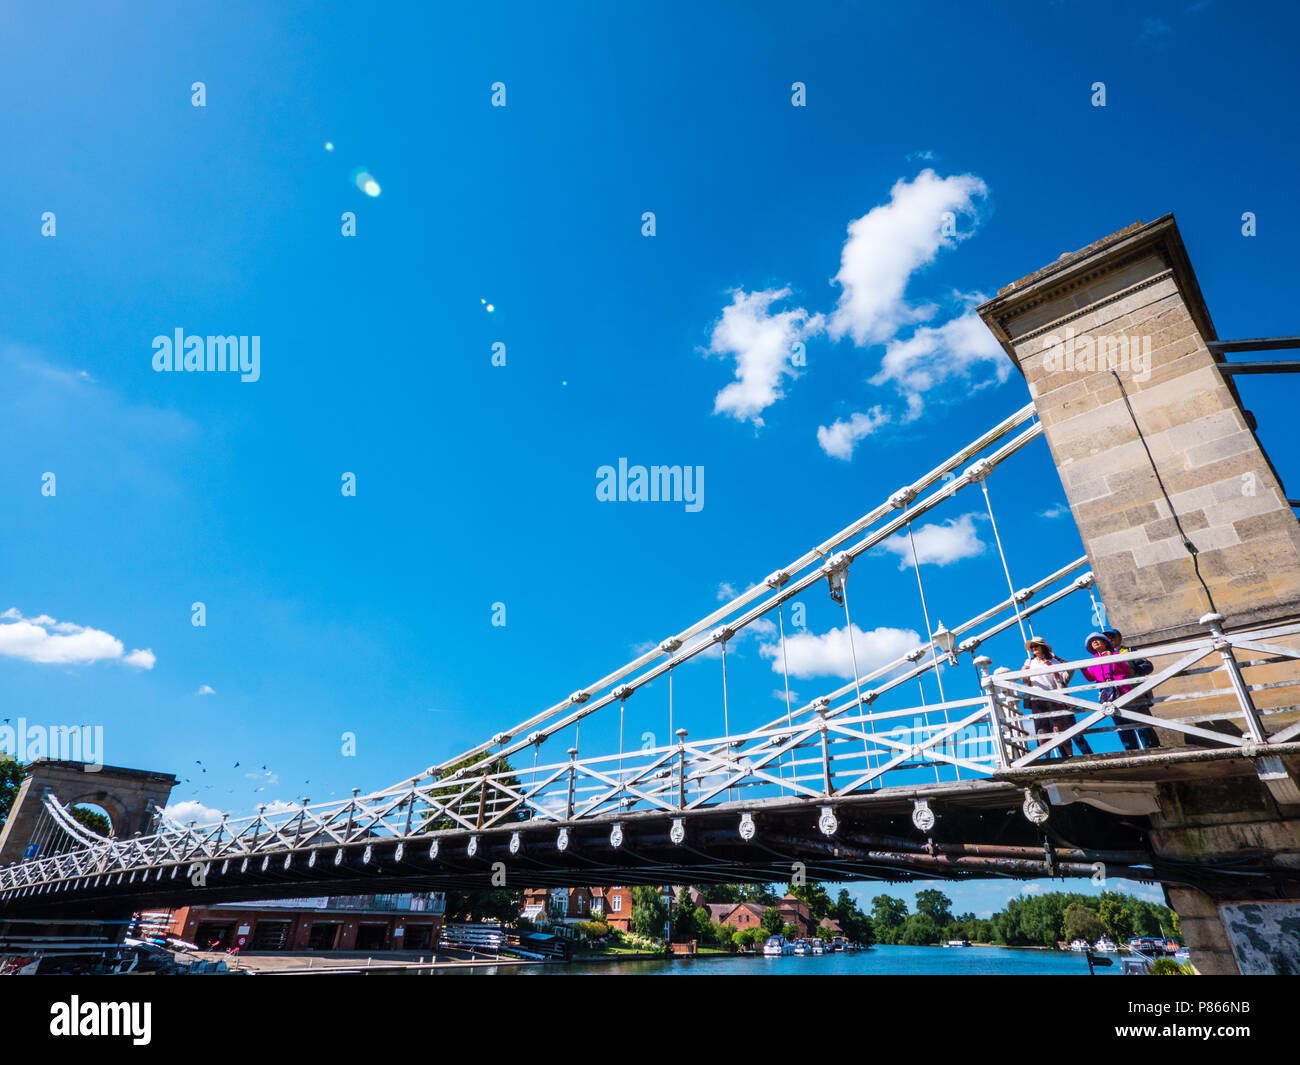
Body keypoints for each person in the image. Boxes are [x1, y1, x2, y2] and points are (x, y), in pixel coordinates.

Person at [1083, 631, 1159, 750]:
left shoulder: (1117, 654)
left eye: (1098, 639)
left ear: (1105, 643)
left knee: (1139, 722)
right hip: (1110, 696)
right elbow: (1090, 677)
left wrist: (1113, 658)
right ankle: (1131, 751)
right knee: (1122, 725)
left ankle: (1150, 749)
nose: (1095, 642)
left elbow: (1126, 668)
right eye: (1092, 641)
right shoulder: (1093, 661)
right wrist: (1082, 668)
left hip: (1125, 692)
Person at [1022, 635, 1092, 757]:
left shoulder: (1053, 661)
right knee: (1042, 731)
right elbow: (1024, 680)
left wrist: (1052, 668)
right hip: (1037, 699)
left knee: (1061, 729)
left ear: (1042, 647)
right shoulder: (1029, 662)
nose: (1033, 648)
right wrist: (1024, 671)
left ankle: (1070, 757)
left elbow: (1059, 680)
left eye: (1035, 646)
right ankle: (1048, 758)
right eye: (1032, 647)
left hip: (1055, 698)